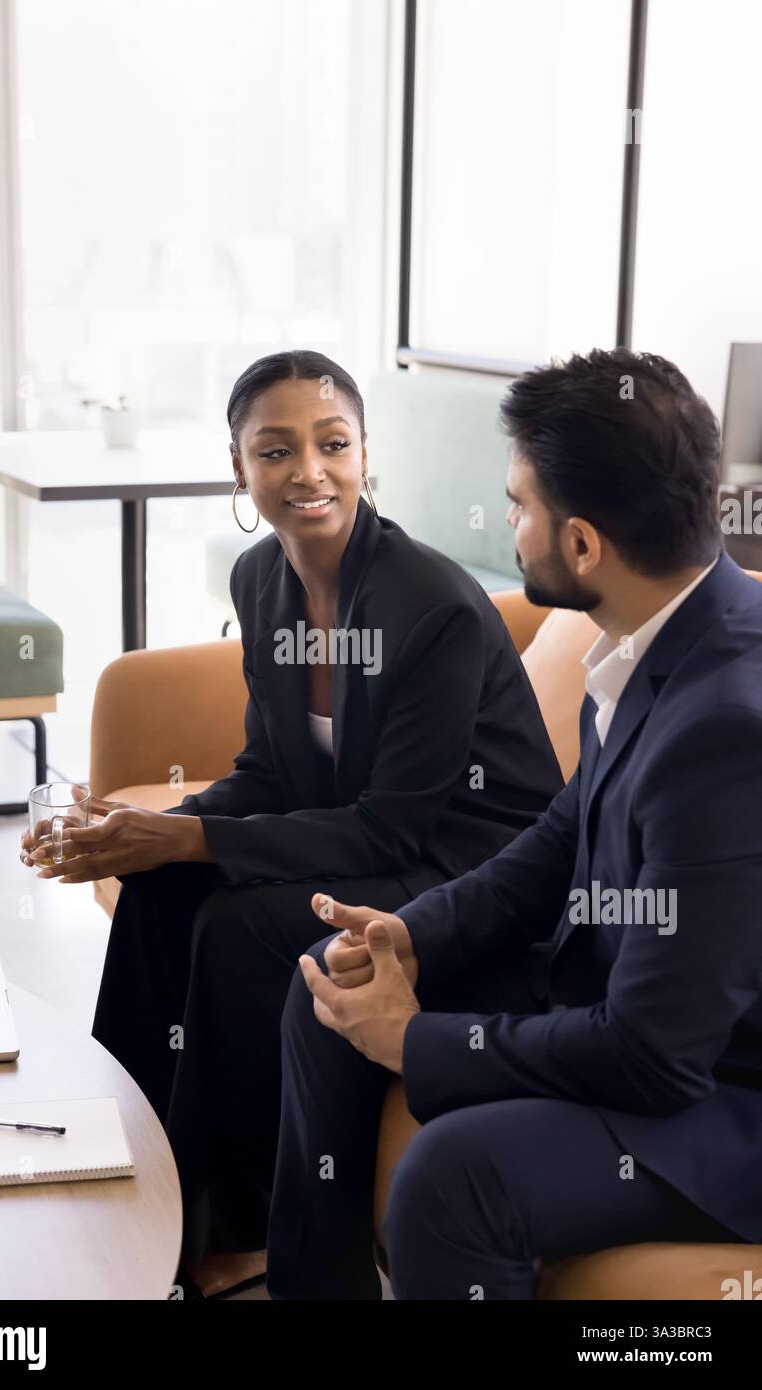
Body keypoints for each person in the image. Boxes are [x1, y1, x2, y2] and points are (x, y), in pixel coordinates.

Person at [21, 349, 562, 1297]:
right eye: (275, 451)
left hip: (467, 873)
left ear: (364, 456)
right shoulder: (260, 582)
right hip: (371, 842)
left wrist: (190, 834)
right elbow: (270, 773)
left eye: (332, 444)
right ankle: (128, 1166)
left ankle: (236, 1231)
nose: (308, 471)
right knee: (158, 887)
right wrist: (145, 831)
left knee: (240, 925)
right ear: (239, 469)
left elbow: (392, 830)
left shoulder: (431, 606)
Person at [269, 347, 762, 1300]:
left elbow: (654, 1056)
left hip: (720, 1094)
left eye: (517, 505)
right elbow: (561, 836)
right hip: (620, 997)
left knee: (454, 1181)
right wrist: (408, 934)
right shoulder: (654, 635)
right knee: (331, 981)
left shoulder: (726, 726)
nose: (506, 523)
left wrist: (417, 1042)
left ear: (579, 544)